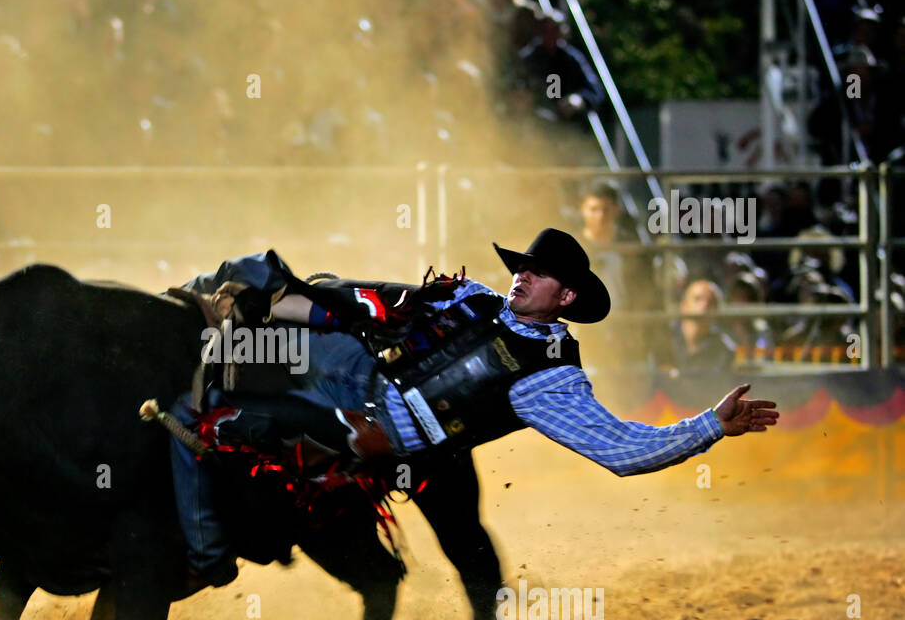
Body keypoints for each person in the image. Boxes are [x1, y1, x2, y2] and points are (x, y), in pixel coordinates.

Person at [169, 230, 779, 590]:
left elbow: (624, 451)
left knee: (244, 426)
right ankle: (203, 312)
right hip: (351, 364)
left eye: (538, 275)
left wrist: (711, 426)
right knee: (265, 282)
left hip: (376, 431)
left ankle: (204, 547)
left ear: (564, 298)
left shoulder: (550, 379)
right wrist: (287, 300)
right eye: (524, 266)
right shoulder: (473, 298)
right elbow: (374, 306)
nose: (523, 275)